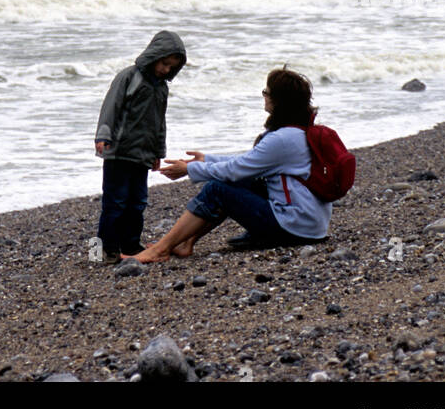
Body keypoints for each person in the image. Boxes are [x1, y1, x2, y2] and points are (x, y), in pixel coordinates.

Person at [131, 66, 331, 262]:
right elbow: (250, 161)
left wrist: (190, 169)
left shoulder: (283, 139)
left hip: (295, 227)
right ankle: (185, 243)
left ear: (280, 101)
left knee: (217, 189)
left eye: (266, 92)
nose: (264, 95)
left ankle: (160, 249)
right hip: (309, 223)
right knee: (234, 184)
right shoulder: (299, 131)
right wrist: (206, 160)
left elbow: (235, 170)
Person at [94, 31, 187, 262]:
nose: (166, 70)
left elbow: (159, 122)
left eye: (171, 67)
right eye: (164, 63)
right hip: (118, 151)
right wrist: (103, 135)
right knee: (114, 203)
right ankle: (99, 252)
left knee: (137, 203)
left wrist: (158, 153)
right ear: (154, 56)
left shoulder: (162, 88)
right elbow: (110, 108)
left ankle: (131, 245)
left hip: (143, 155)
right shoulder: (129, 77)